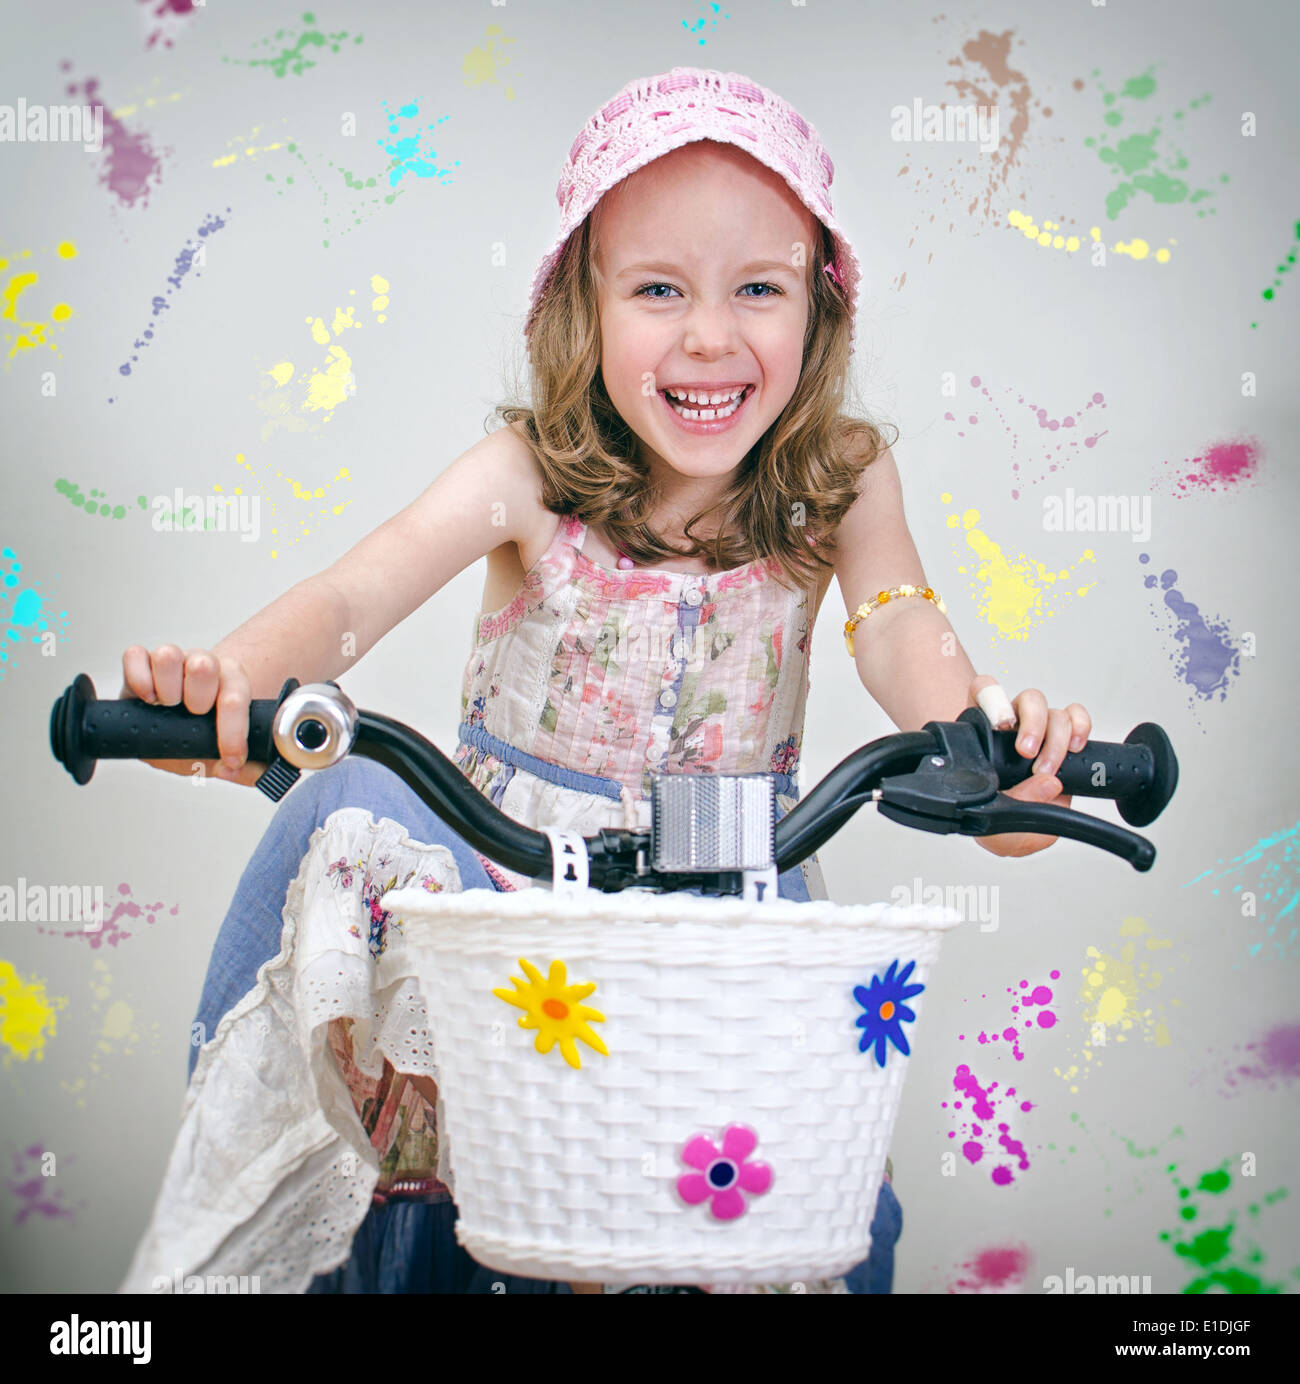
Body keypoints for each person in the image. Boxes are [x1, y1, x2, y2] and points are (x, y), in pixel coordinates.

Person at [116, 66, 1092, 1296]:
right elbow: (353, 598)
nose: (707, 334)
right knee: (363, 802)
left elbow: (901, 628)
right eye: (657, 289)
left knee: (758, 1186)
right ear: (583, 305)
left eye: (758, 288)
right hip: (509, 883)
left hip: (727, 895)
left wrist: (987, 749)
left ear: (820, 311)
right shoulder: (531, 473)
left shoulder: (838, 480)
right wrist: (227, 688)